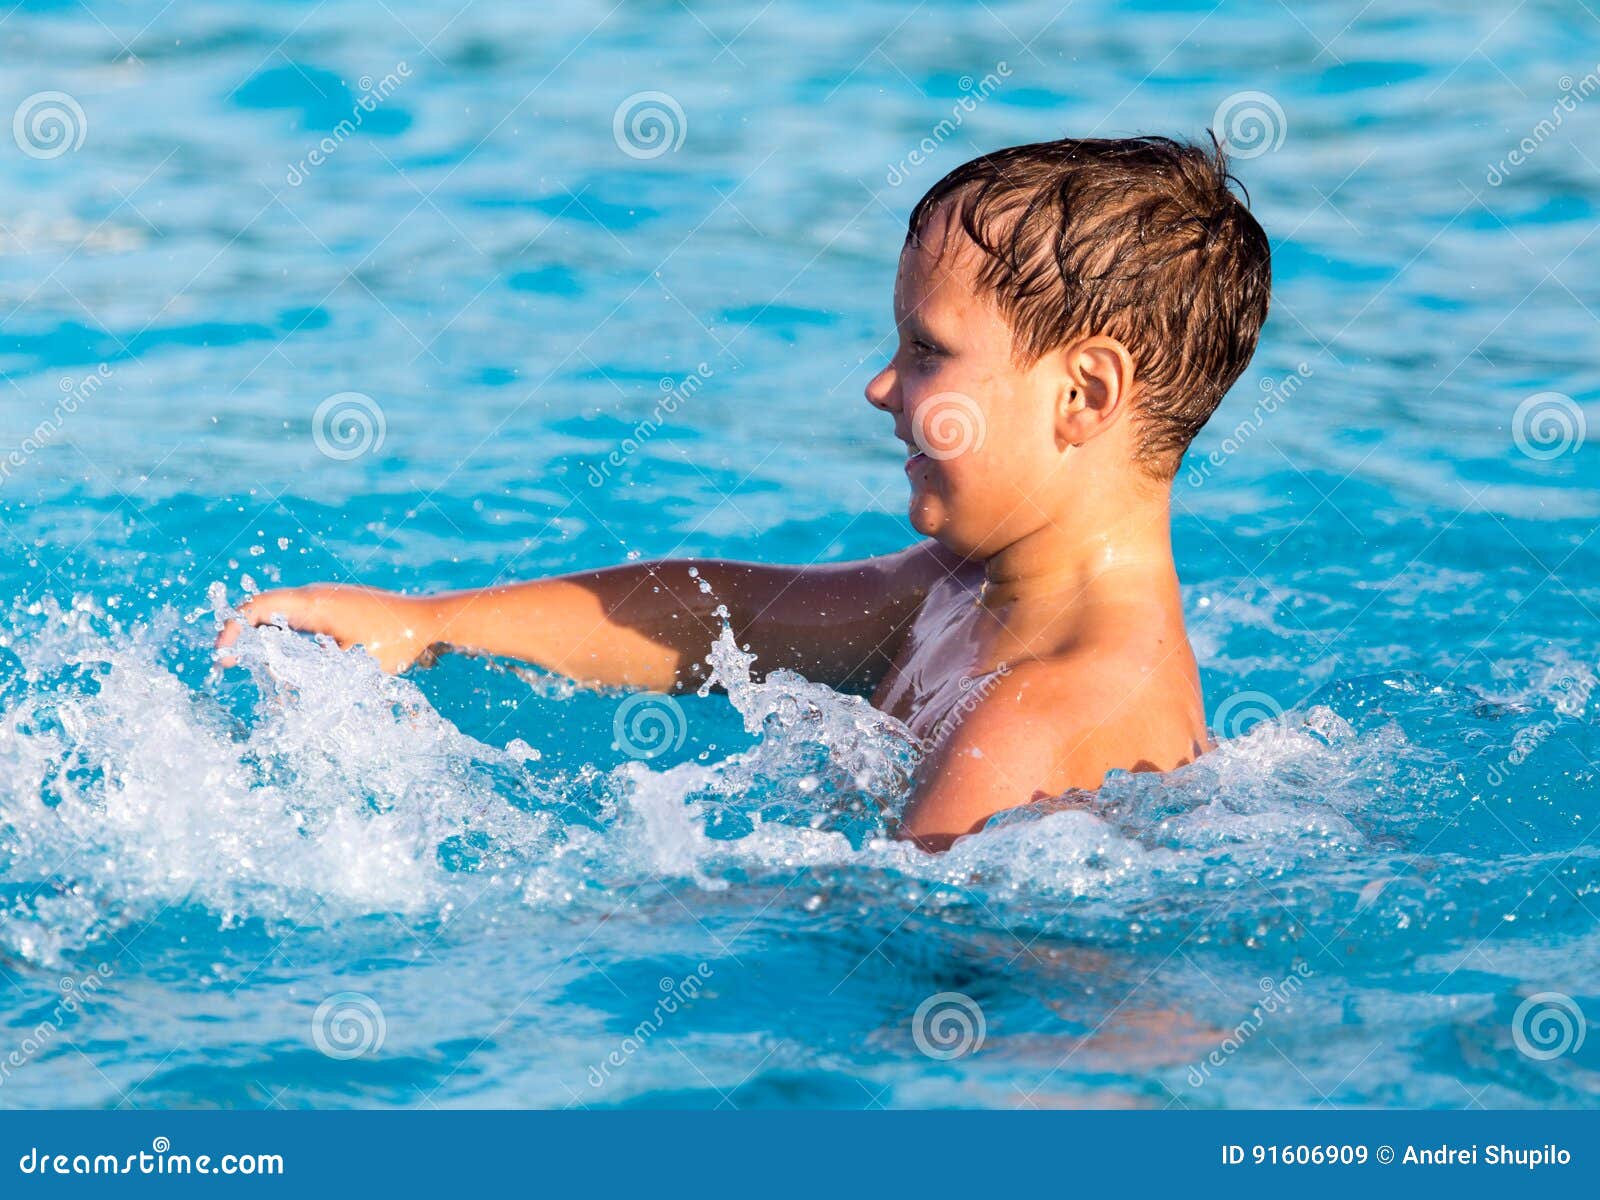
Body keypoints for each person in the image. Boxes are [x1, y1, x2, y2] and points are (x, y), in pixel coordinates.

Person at [218, 135, 1272, 852]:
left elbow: (910, 942)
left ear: (1081, 393)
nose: (878, 384)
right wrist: (428, 625)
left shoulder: (1048, 705)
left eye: (926, 351)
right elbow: (724, 613)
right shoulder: (960, 592)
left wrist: (627, 915)